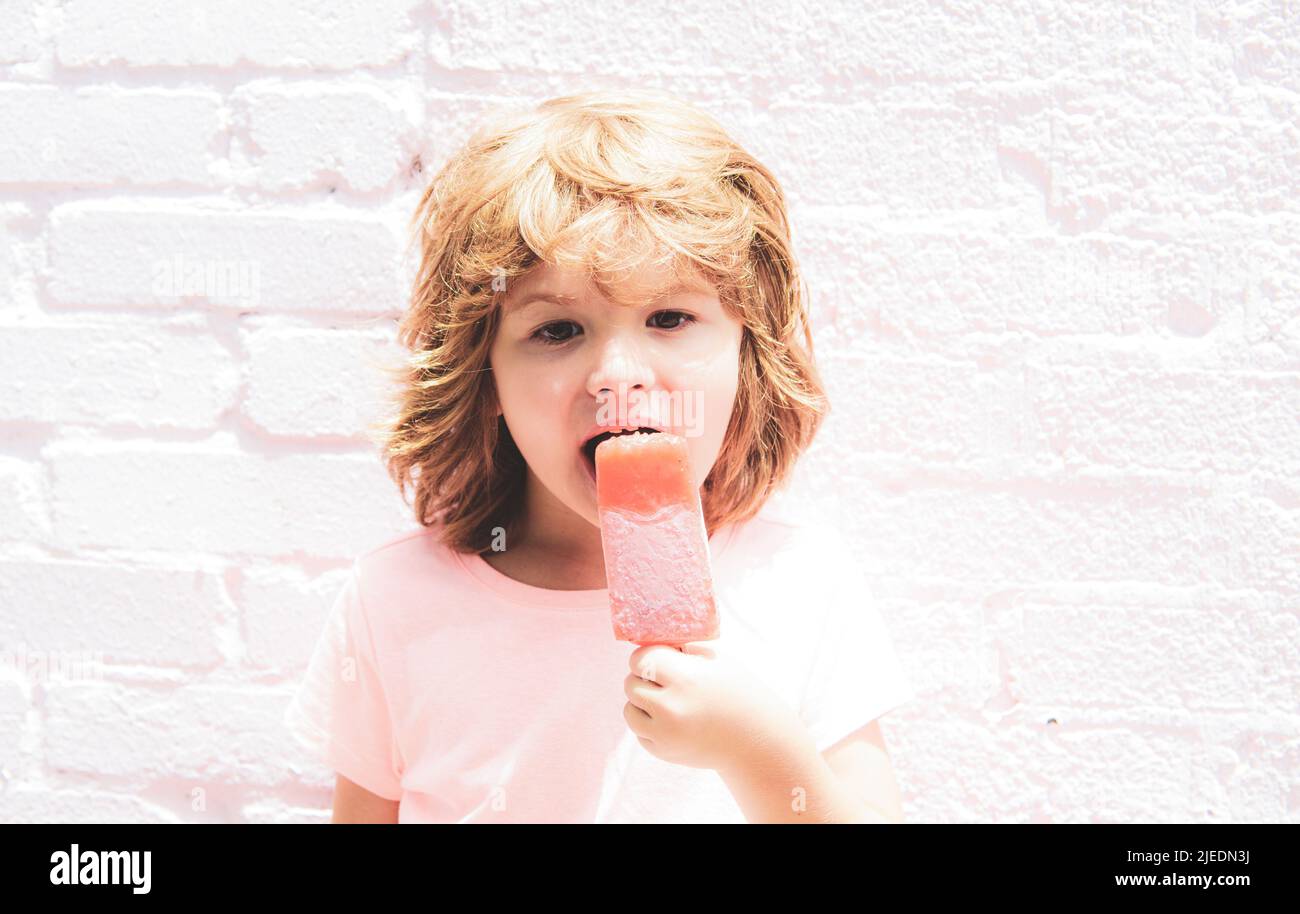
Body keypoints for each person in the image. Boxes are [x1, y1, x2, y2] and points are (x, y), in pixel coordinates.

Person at [283, 89, 915, 823]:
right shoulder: (393, 601)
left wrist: (756, 747)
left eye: (670, 317)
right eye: (557, 330)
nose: (618, 373)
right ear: (483, 378)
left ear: (749, 357)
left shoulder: (802, 584)